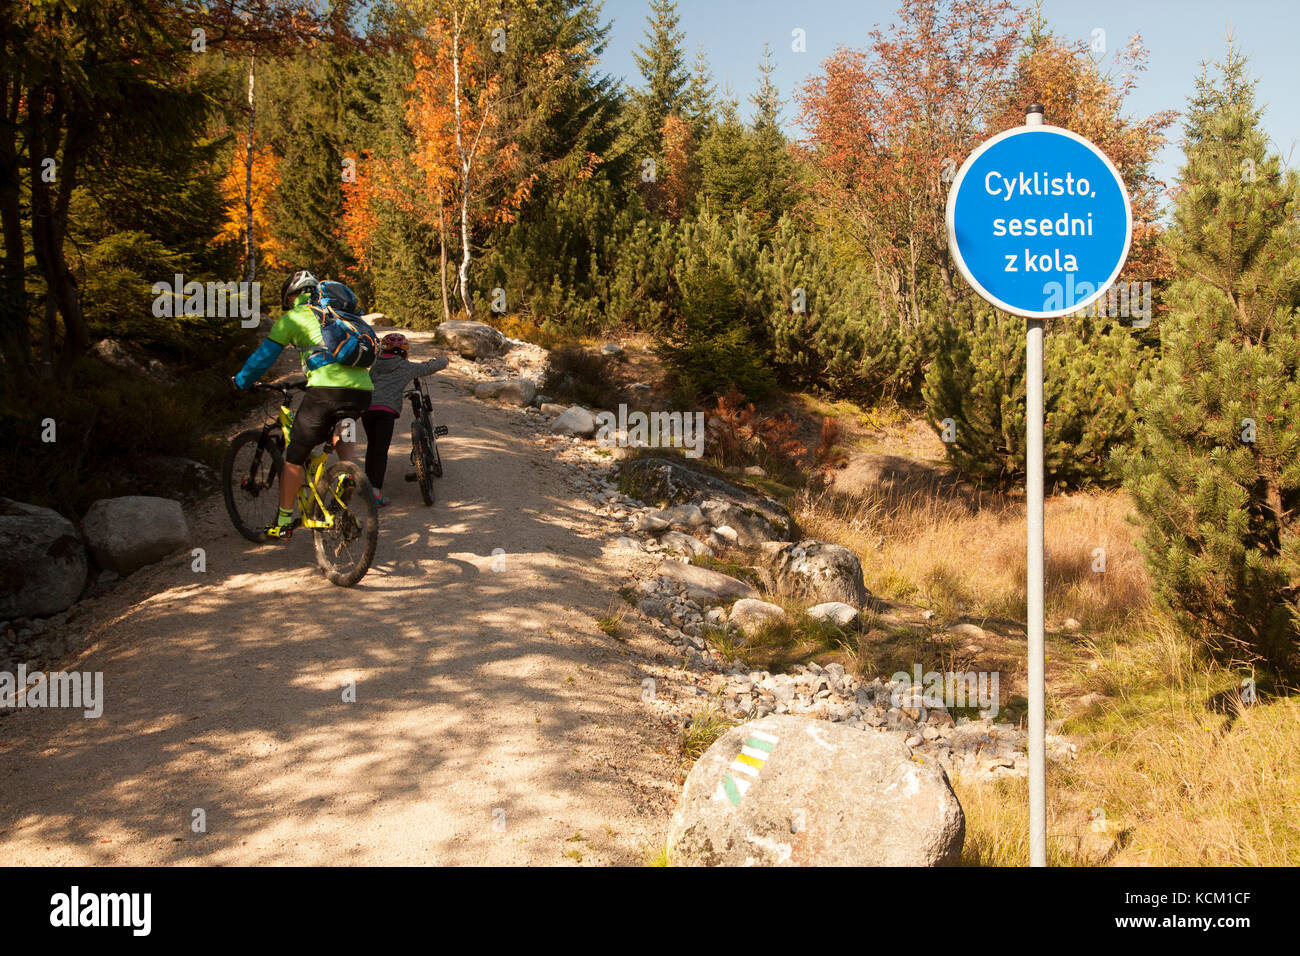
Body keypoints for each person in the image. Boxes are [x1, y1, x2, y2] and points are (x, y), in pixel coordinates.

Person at [233, 270, 374, 539]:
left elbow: (263, 358)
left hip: (326, 391)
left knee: (294, 457)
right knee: (344, 423)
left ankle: (284, 522)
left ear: (292, 296)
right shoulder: (340, 315)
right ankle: (347, 472)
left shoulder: (294, 317)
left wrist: (241, 382)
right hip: (362, 392)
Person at [362, 332, 448, 505]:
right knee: (381, 451)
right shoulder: (405, 366)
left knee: (372, 447)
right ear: (404, 350)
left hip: (368, 410)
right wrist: (444, 360)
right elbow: (427, 367)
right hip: (385, 412)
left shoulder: (376, 366)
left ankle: (367, 486)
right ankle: (376, 492)